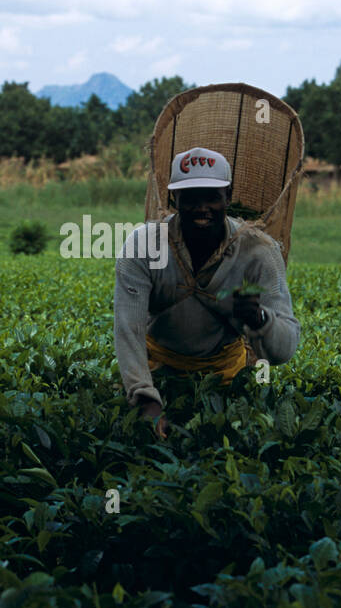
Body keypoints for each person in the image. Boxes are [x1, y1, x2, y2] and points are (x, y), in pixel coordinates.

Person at [114, 147, 300, 437]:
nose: (202, 208)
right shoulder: (143, 245)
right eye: (190, 198)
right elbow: (129, 327)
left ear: (228, 195)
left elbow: (284, 350)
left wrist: (260, 318)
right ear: (174, 199)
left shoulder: (259, 251)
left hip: (225, 378)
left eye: (211, 196)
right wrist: (144, 397)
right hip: (158, 371)